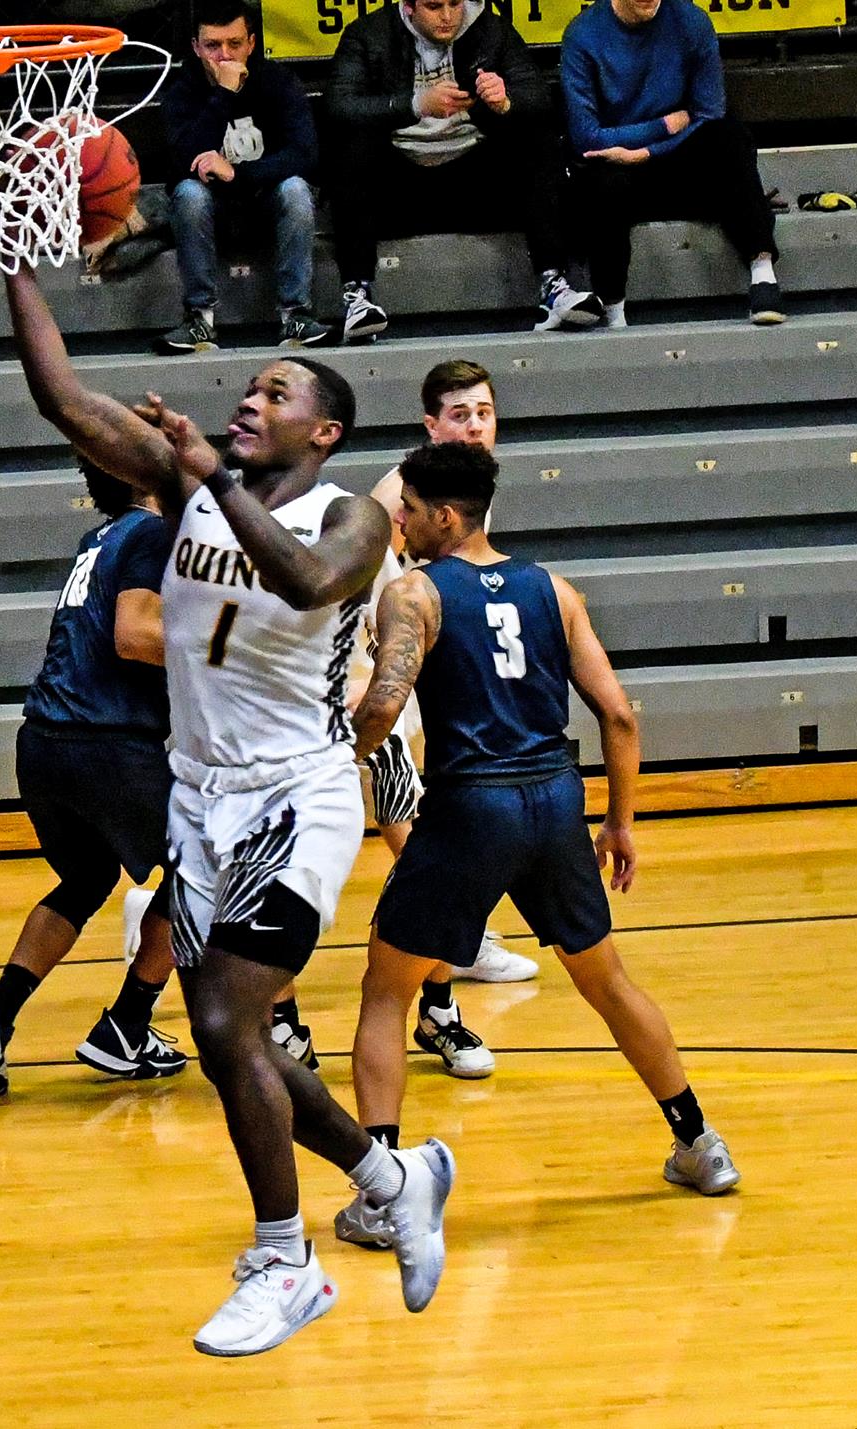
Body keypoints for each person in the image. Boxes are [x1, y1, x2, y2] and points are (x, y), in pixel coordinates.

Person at [5, 265, 454, 1358]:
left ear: (325, 430)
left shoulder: (351, 519)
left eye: (275, 391)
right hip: (198, 798)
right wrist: (14, 261)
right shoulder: (187, 481)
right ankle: (391, 1175)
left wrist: (212, 478)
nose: (249, 400)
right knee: (234, 1041)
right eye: (247, 387)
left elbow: (304, 583)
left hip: (296, 798)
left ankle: (282, 1261)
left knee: (216, 1021)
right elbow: (64, 398)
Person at [338, 439, 739, 1244]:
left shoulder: (414, 593)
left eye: (408, 512)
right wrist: (620, 821)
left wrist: (330, 754)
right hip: (556, 801)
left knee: (387, 989)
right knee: (607, 980)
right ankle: (701, 1143)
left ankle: (383, 1197)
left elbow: (383, 706)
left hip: (472, 805)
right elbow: (619, 714)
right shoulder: (554, 591)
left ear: (444, 516)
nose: (400, 528)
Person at [267, 359, 540, 1088]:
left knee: (423, 857)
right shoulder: (397, 498)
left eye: (484, 411)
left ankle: (439, 1003)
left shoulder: (464, 493)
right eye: (461, 414)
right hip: (351, 701)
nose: (476, 424)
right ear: (430, 423)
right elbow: (353, 583)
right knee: (305, 859)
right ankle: (286, 1019)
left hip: (394, 698)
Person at [0, 458, 188, 1095]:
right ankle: (128, 1026)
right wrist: (233, 647)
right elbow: (135, 636)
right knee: (203, 868)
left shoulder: (99, 539)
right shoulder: (152, 533)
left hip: (43, 743)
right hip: (106, 744)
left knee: (85, 880)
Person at [324, 0, 603, 343]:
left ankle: (554, 286)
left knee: (538, 141)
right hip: (399, 178)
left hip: (471, 171)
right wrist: (415, 105)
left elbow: (537, 96)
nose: (447, 16)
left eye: (456, 4)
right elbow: (338, 106)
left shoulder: (489, 29)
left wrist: (505, 101)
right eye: (434, 6)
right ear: (409, 7)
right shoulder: (368, 35)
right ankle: (358, 295)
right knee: (350, 150)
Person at [560, 0, 785, 328]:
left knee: (729, 136)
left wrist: (647, 152)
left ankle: (763, 274)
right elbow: (585, 136)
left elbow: (709, 111)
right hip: (615, 166)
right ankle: (613, 310)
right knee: (602, 182)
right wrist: (661, 127)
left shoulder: (691, 21)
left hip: (670, 160)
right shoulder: (582, 34)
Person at [155, 0, 330, 355]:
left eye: (235, 44)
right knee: (189, 193)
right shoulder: (180, 94)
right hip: (210, 214)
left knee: (296, 189)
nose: (224, 55)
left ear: (251, 43)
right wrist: (223, 94)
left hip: (266, 204)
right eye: (213, 46)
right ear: (195, 47)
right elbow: (181, 165)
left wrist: (237, 173)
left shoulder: (278, 82)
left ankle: (295, 313)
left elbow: (305, 155)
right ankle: (199, 317)